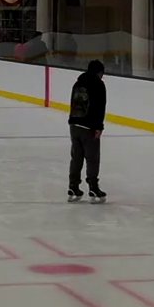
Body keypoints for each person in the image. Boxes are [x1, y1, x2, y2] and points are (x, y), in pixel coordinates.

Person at [67, 59, 107, 202]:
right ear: (99, 72)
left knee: (76, 157)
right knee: (92, 159)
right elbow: (99, 107)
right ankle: (93, 188)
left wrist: (72, 121)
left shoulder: (77, 83)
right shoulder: (98, 84)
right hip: (88, 127)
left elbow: (73, 103)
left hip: (74, 125)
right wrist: (98, 127)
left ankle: (73, 186)